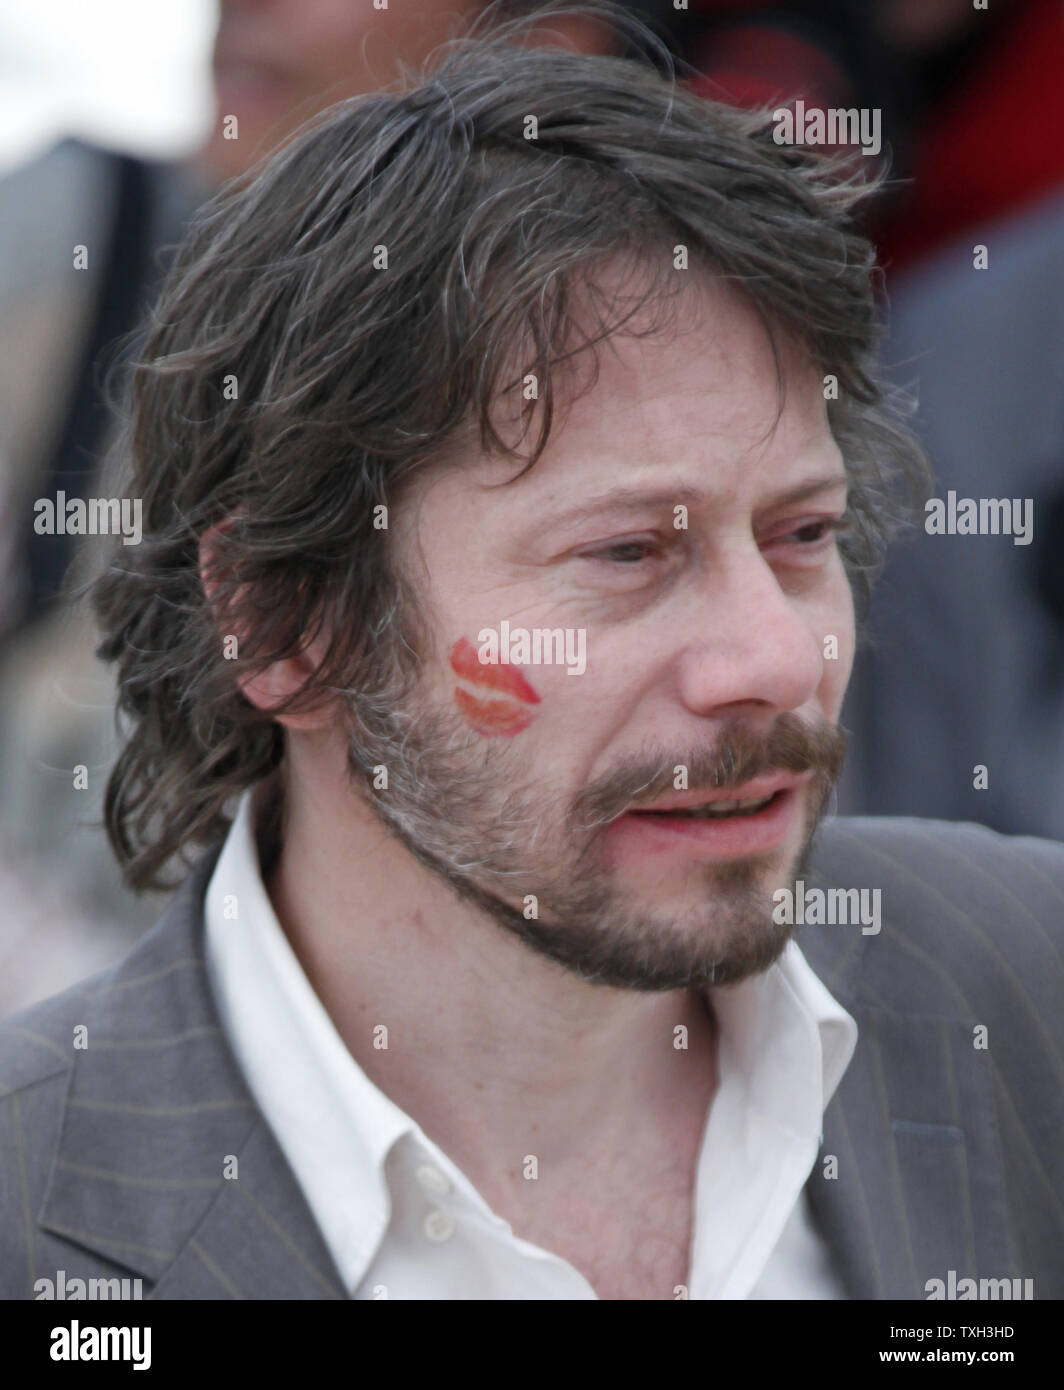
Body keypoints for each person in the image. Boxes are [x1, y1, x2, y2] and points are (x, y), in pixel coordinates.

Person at [1, 0, 1061, 1301]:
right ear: (283, 618)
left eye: (802, 536)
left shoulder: (1022, 989)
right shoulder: (42, 1210)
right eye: (627, 554)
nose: (774, 657)